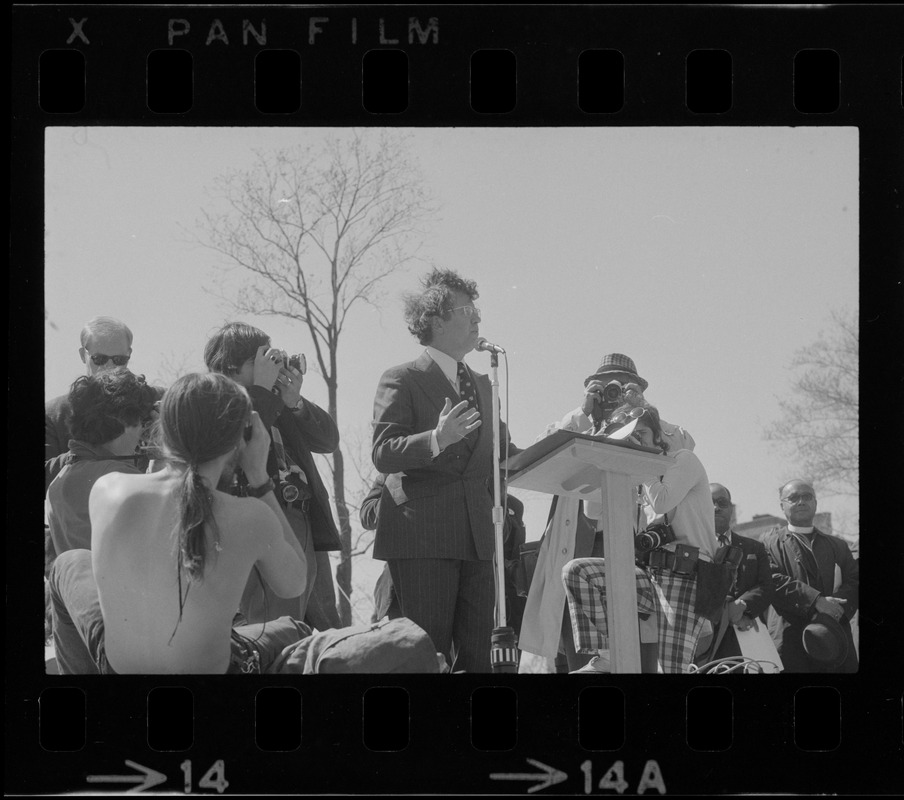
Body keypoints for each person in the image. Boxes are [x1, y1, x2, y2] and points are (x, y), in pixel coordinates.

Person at [47, 372, 311, 674]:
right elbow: (294, 584)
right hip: (210, 671)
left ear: (163, 429)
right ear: (241, 439)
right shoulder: (251, 516)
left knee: (69, 561)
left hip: (117, 667)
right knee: (294, 628)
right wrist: (259, 478)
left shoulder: (108, 490)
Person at [371, 267, 520, 673]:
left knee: (479, 662)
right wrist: (436, 438)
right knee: (425, 657)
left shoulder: (485, 384)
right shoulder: (402, 378)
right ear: (436, 320)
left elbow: (505, 452)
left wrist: (569, 444)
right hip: (423, 536)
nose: (477, 319)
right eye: (466, 310)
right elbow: (383, 453)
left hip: (478, 537)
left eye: (477, 311)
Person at [518, 353, 695, 672]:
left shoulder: (649, 426)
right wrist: (585, 412)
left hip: (636, 549)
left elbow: (684, 445)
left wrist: (644, 409)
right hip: (582, 546)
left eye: (625, 387)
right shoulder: (581, 423)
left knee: (641, 649)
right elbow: (538, 453)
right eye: (606, 387)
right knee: (586, 658)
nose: (615, 393)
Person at [204, 322, 342, 631]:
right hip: (266, 524)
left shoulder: (274, 400)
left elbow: (327, 442)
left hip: (303, 521)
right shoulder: (217, 402)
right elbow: (239, 446)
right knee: (277, 626)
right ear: (232, 366)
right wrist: (261, 393)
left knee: (327, 627)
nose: (273, 364)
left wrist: (294, 401)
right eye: (262, 358)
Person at [563, 402, 717, 673]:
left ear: (658, 436)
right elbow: (592, 510)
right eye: (628, 436)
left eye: (641, 434)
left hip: (686, 576)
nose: (635, 440)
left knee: (670, 670)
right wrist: (606, 456)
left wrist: (639, 460)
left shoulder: (683, 460)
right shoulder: (638, 477)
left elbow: (661, 503)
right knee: (578, 571)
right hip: (650, 575)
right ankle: (607, 654)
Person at [45, 368, 159, 558]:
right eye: (141, 420)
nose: (143, 429)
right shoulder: (120, 478)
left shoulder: (59, 481)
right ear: (122, 420)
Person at [45, 317, 161, 486]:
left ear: (129, 355)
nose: (110, 367)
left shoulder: (154, 399)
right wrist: (88, 451)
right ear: (83, 355)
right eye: (99, 359)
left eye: (119, 360)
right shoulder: (54, 413)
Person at [763, 479, 859, 673]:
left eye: (807, 497)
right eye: (793, 498)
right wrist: (816, 601)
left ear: (815, 503)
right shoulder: (768, 544)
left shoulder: (838, 545)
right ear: (782, 505)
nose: (801, 502)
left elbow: (854, 582)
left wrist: (831, 610)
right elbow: (772, 580)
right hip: (789, 637)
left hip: (833, 637)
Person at [696, 483, 774, 663]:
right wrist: (727, 610)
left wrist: (743, 606)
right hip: (705, 640)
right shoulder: (693, 546)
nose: (716, 507)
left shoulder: (754, 547)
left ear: (731, 507)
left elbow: (766, 585)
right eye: (710, 502)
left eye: (722, 502)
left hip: (745, 637)